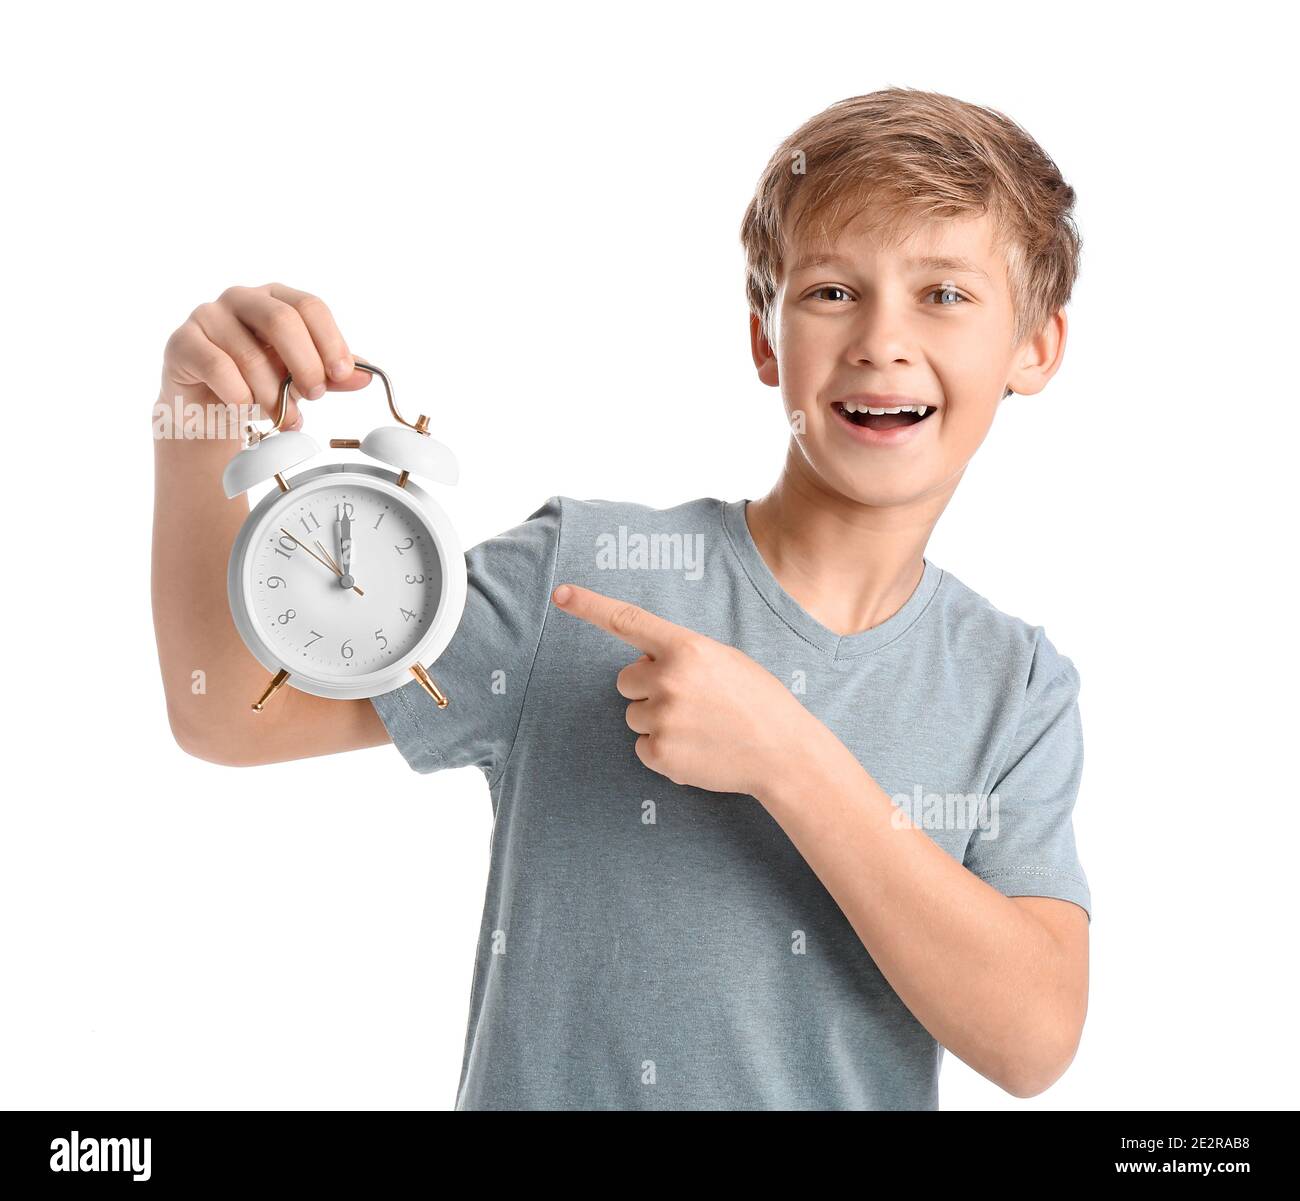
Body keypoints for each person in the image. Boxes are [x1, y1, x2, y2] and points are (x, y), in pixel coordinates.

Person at [151, 86, 1091, 1110]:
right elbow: (228, 708)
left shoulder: (1017, 684)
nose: (880, 339)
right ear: (766, 340)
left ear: (1034, 346)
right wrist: (196, 425)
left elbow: (1032, 1039)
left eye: (943, 295)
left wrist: (788, 757)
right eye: (830, 291)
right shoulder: (584, 574)